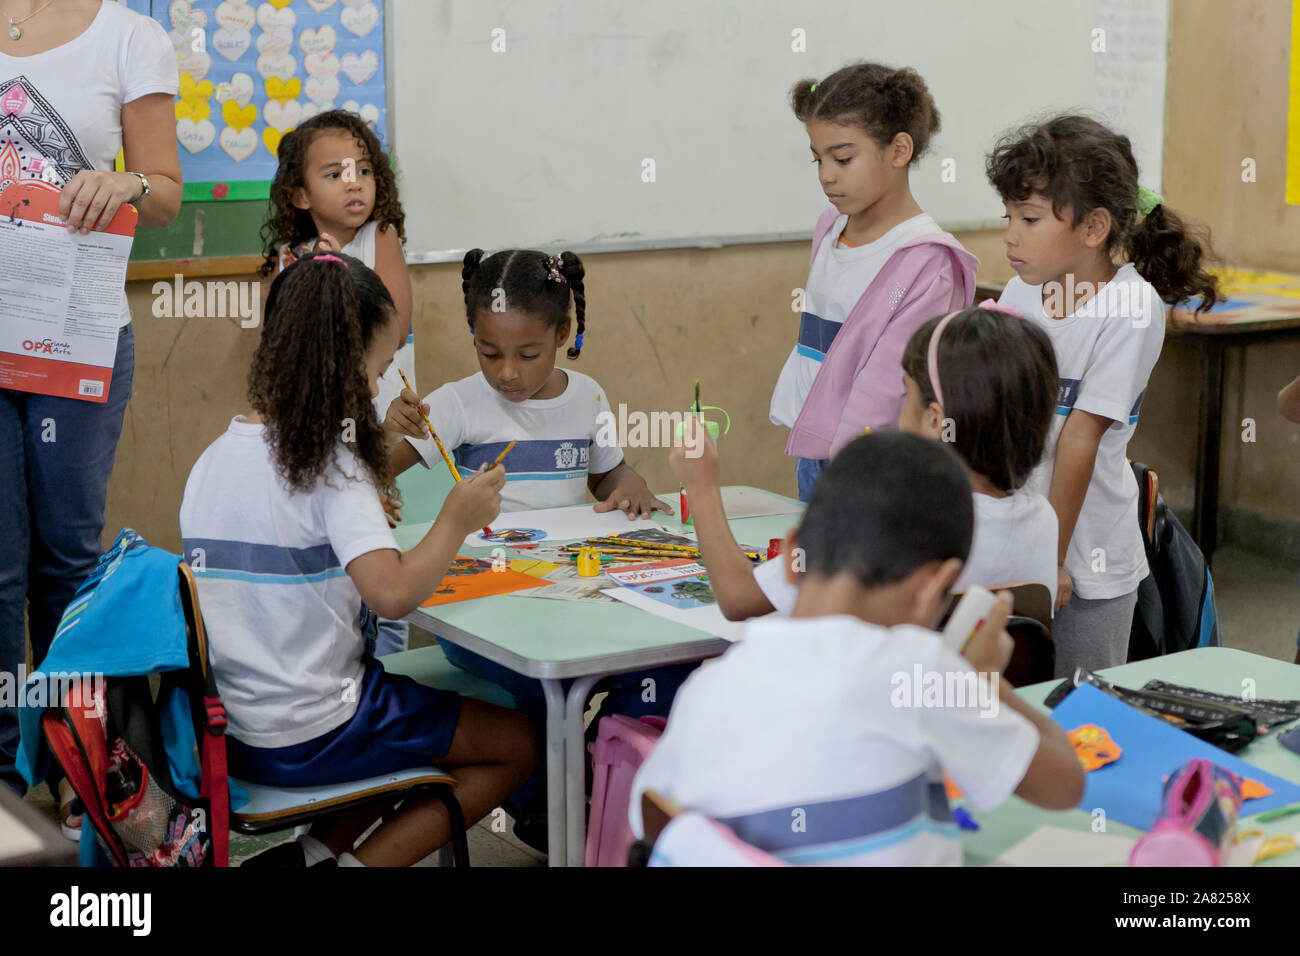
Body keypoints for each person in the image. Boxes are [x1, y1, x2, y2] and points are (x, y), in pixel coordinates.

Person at [180, 253, 537, 866]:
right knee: (518, 743)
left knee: (411, 714)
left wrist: (362, 511)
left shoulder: (214, 457)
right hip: (312, 732)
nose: (377, 386)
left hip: (227, 731)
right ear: (338, 367)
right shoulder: (330, 465)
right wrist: (454, 519)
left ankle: (310, 856)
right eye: (375, 369)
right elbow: (393, 595)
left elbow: (292, 541)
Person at [630, 432, 1084, 865]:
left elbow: (648, 818)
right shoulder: (921, 669)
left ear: (791, 557)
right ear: (934, 588)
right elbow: (1065, 785)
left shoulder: (707, 688)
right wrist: (983, 681)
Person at [0, 1, 181, 837]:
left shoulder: (129, 35)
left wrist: (129, 182)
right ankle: (6, 778)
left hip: (75, 337)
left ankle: (78, 761)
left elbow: (167, 192)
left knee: (66, 560)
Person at [989, 113, 1219, 674]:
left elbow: (1079, 439)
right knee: (1014, 706)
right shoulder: (1020, 293)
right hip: (1014, 545)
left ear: (1093, 228)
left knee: (1083, 711)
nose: (1010, 234)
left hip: (1086, 557)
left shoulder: (1130, 306)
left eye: (1030, 218)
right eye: (1009, 216)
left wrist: (1051, 558)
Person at [769, 61, 977, 501]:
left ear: (899, 150)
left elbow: (888, 385)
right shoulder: (830, 226)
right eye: (818, 158)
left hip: (871, 467)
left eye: (843, 158)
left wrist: (851, 472)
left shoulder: (926, 261)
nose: (826, 174)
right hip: (815, 454)